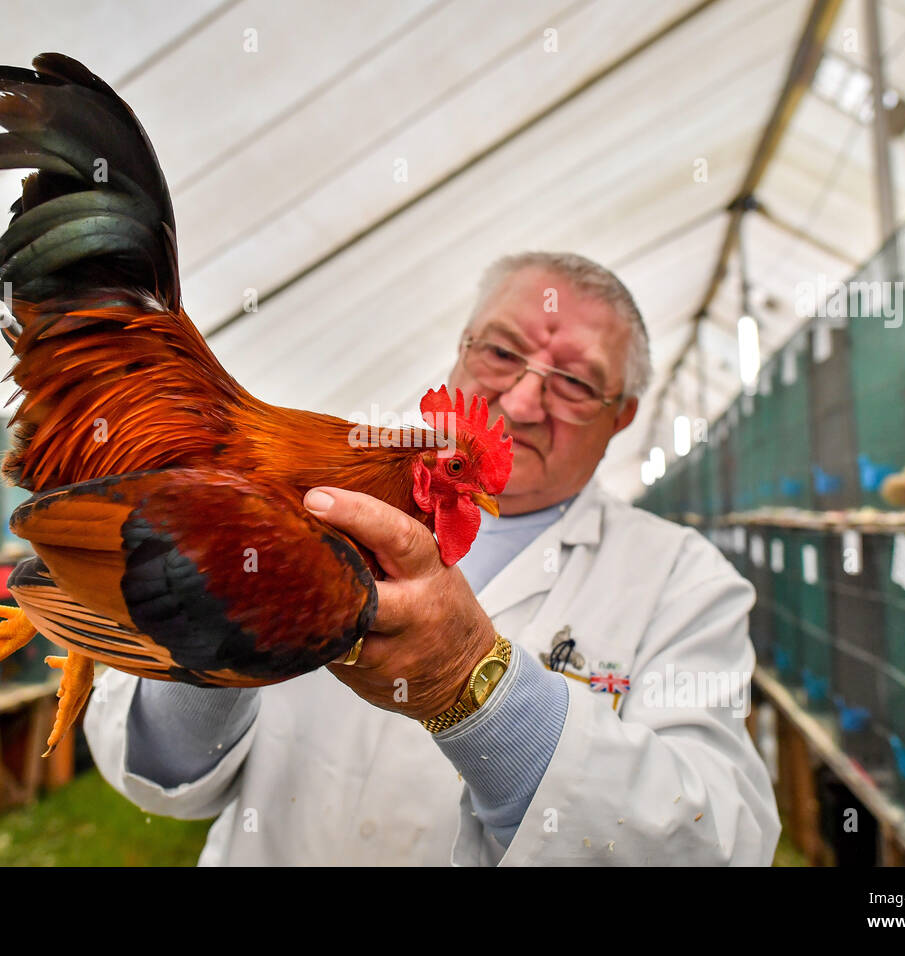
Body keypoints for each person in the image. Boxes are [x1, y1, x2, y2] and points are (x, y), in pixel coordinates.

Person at [85, 251, 780, 865]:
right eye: (501, 353)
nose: (523, 399)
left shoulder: (682, 582)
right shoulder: (311, 487)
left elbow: (721, 842)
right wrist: (212, 619)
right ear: (460, 348)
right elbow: (165, 773)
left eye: (574, 383)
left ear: (622, 415)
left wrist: (477, 688)